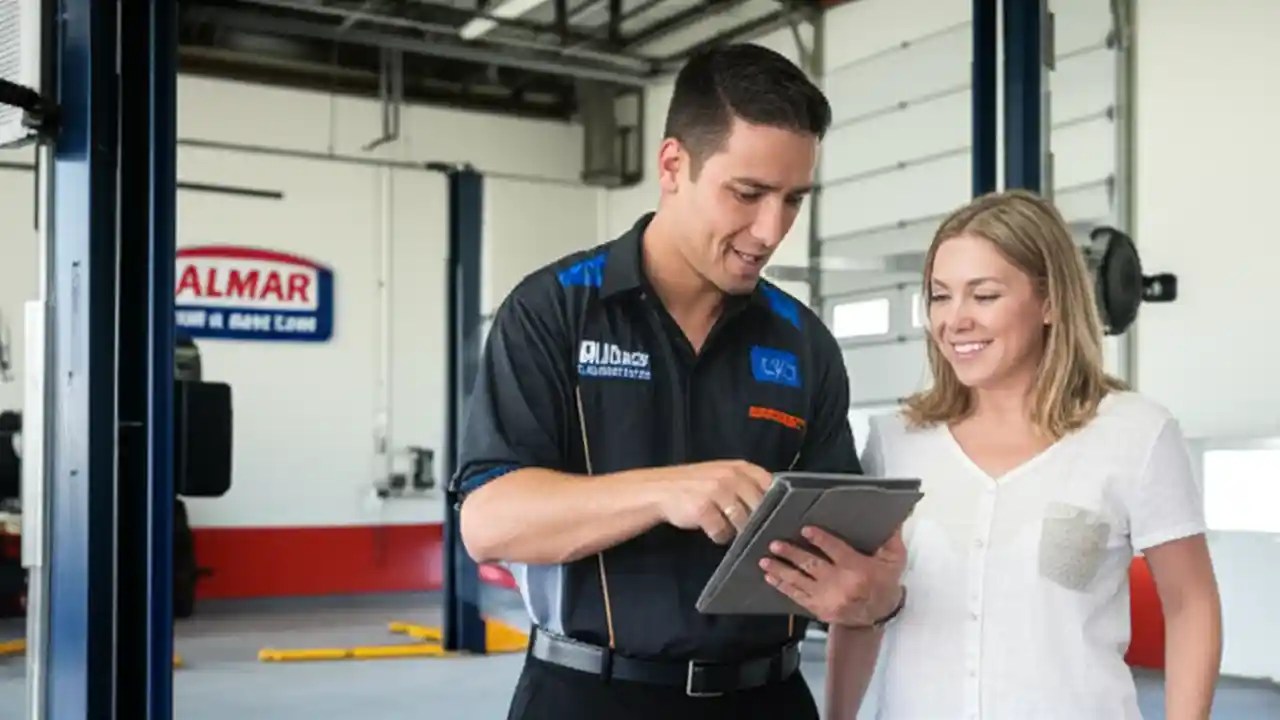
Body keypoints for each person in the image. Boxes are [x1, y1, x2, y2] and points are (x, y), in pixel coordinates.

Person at [451, 43, 908, 720]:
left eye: (793, 200)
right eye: (748, 194)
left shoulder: (803, 342)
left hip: (769, 699)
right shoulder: (553, 312)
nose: (771, 229)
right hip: (587, 696)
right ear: (673, 166)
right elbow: (488, 521)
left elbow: (841, 553)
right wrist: (669, 489)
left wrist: (873, 590)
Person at [826, 190, 1223, 720]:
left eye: (983, 295)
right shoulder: (895, 442)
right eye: (941, 297)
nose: (955, 320)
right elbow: (859, 609)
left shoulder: (1134, 433)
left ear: (1051, 301)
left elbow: (1191, 604)